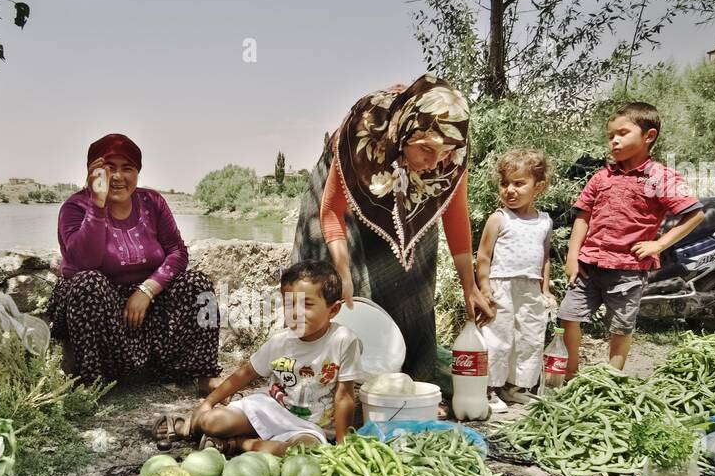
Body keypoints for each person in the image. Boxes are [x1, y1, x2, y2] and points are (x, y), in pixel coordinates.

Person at [291, 74, 492, 383]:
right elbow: (331, 212)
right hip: (354, 175)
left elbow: (454, 214)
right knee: (328, 275)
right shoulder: (363, 132)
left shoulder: (452, 147)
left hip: (410, 189)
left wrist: (470, 287)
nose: (434, 162)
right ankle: (318, 374)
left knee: (411, 268)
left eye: (445, 152)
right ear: (409, 130)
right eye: (426, 149)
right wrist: (343, 272)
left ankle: (410, 376)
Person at [49, 132, 220, 386]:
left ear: (137, 172)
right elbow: (85, 263)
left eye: (127, 168)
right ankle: (92, 382)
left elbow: (177, 251)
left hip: (146, 304)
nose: (117, 177)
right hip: (98, 310)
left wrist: (147, 290)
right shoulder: (75, 208)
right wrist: (97, 205)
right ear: (92, 172)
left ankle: (201, 373)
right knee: (88, 283)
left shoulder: (152, 202)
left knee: (197, 284)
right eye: (108, 168)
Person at [557, 102, 706, 378]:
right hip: (589, 265)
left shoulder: (660, 177)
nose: (614, 140)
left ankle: (611, 380)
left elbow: (695, 215)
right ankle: (571, 374)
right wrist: (572, 256)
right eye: (611, 135)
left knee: (621, 326)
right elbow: (583, 217)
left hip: (628, 270)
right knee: (568, 316)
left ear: (649, 136)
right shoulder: (601, 177)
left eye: (623, 133)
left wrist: (658, 245)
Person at [173, 260, 361, 456]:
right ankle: (208, 432)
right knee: (211, 421)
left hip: (309, 426)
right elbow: (245, 374)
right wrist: (208, 403)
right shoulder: (280, 342)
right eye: (290, 304)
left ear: (333, 310)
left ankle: (238, 443)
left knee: (305, 451)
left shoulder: (343, 341)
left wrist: (342, 445)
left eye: (307, 304)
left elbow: (344, 396)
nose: (296, 313)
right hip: (271, 409)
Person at [475, 148, 554, 413]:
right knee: (498, 338)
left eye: (519, 183)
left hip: (530, 287)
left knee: (530, 337)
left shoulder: (544, 222)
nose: (510, 190)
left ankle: (516, 386)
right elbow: (483, 257)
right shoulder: (499, 218)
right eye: (505, 183)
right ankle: (489, 389)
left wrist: (545, 289)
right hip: (501, 285)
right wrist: (484, 289)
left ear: (538, 187)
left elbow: (545, 258)